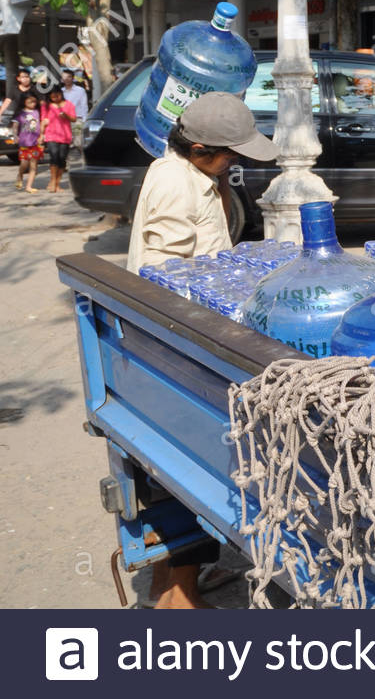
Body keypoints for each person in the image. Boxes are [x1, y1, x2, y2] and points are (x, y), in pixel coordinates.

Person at [126, 91, 278, 609]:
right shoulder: (175, 184)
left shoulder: (198, 177)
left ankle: (173, 585)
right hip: (177, 342)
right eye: (229, 153)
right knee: (196, 469)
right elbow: (168, 277)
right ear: (198, 148)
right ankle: (177, 601)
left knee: (187, 469)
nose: (235, 161)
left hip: (190, 336)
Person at [39, 85, 77, 193]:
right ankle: (52, 181)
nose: (55, 98)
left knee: (62, 159)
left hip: (65, 136)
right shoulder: (46, 106)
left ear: (61, 94)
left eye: (57, 96)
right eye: (53, 97)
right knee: (54, 157)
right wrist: (41, 135)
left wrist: (66, 116)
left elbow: (74, 119)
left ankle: (57, 183)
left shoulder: (69, 105)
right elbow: (43, 121)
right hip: (51, 135)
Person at [12, 92, 43, 192]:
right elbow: (15, 127)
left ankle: (28, 186)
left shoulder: (38, 112)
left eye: (34, 101)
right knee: (24, 164)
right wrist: (15, 136)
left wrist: (42, 135)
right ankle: (20, 174)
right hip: (24, 143)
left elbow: (42, 125)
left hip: (35, 143)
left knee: (34, 166)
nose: (33, 103)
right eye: (30, 101)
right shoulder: (20, 113)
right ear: (24, 102)